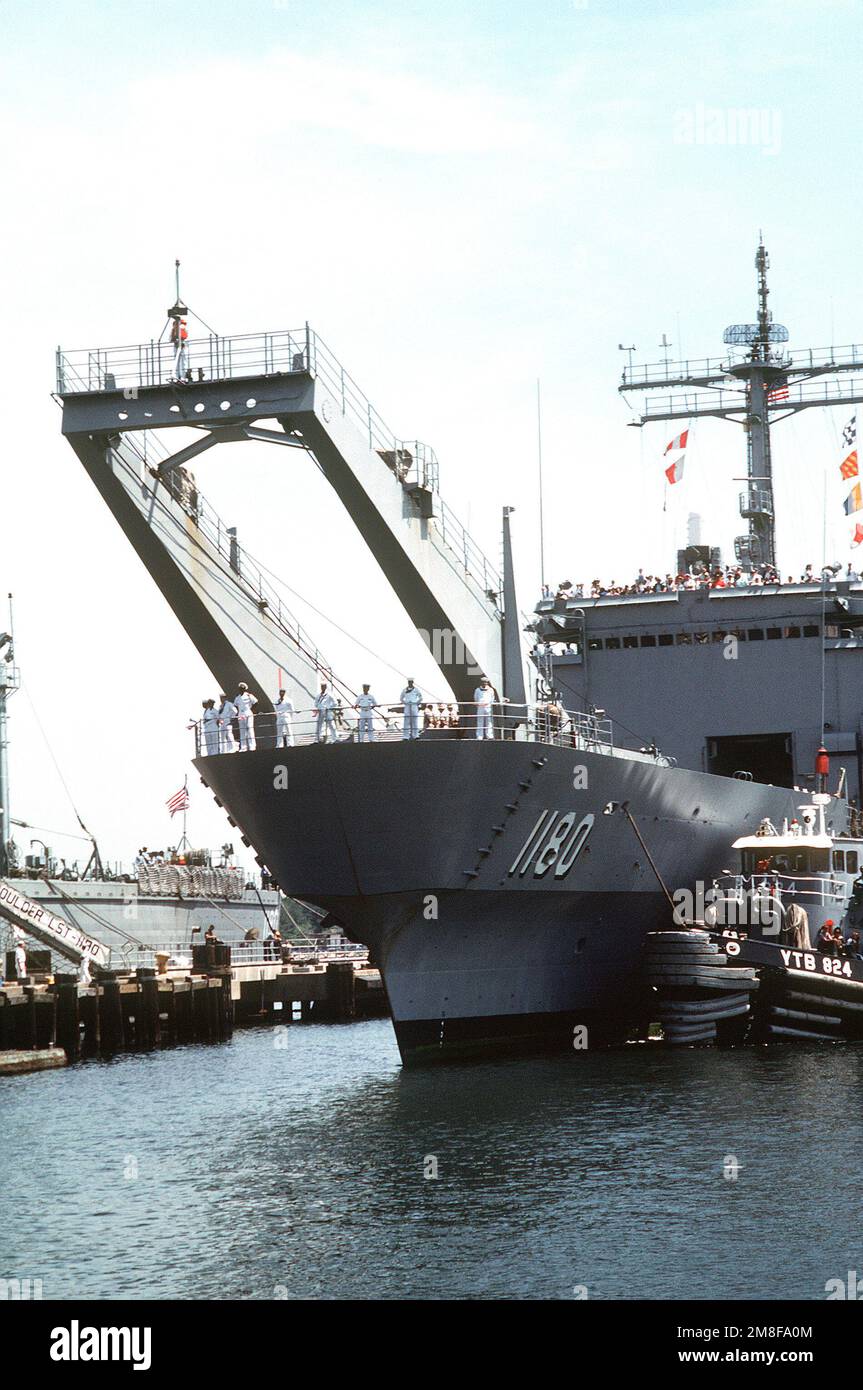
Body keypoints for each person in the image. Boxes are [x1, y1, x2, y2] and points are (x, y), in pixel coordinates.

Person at [234, 682, 257, 751]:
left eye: (242, 689)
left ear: (245, 689)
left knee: (250, 729)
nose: (241, 690)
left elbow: (255, 702)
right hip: (241, 714)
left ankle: (252, 746)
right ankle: (243, 747)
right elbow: (235, 705)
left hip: (248, 713)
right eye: (240, 689)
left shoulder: (249, 695)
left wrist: (251, 710)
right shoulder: (237, 698)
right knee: (242, 731)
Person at [474, 675, 498, 740]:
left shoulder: (491, 690)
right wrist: (479, 704)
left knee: (489, 722)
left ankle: (489, 735)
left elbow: (492, 698)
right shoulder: (477, 690)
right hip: (480, 707)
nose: (484, 683)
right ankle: (479, 736)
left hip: (488, 707)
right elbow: (476, 698)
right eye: (483, 682)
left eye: (486, 682)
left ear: (487, 683)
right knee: (480, 721)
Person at [169, 314, 189, 380]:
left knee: (183, 361)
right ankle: (179, 376)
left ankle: (183, 376)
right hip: (177, 346)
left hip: (183, 345)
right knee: (178, 361)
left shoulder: (182, 327)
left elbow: (184, 336)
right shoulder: (174, 329)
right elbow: (171, 339)